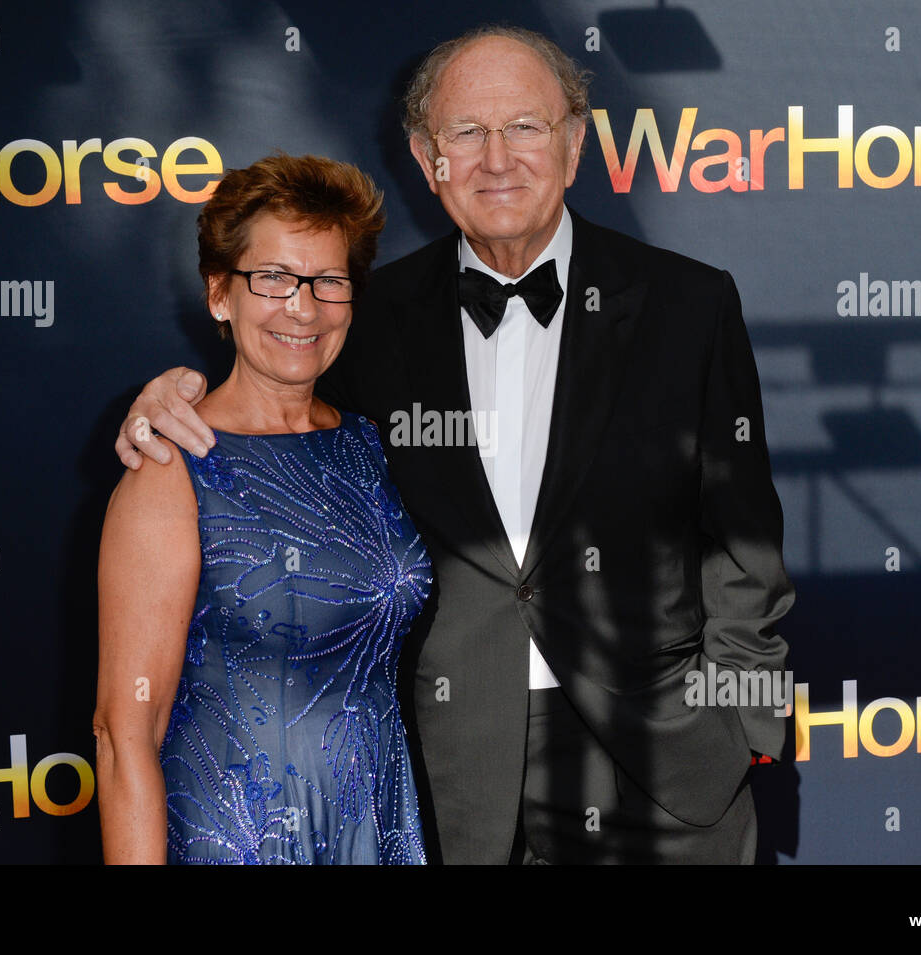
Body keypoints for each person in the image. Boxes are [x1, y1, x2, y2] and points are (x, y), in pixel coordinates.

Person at [115, 26, 793, 865]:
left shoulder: (689, 306)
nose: (496, 157)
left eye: (526, 127)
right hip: (455, 783)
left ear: (575, 143)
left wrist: (749, 725)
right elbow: (277, 404)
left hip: (666, 766)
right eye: (466, 132)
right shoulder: (365, 319)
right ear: (426, 157)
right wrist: (167, 398)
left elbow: (746, 544)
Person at [93, 153, 432, 864]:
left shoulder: (370, 445)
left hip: (376, 830)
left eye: (328, 281)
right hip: (236, 840)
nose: (302, 306)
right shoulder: (172, 466)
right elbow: (126, 732)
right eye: (272, 277)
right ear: (220, 293)